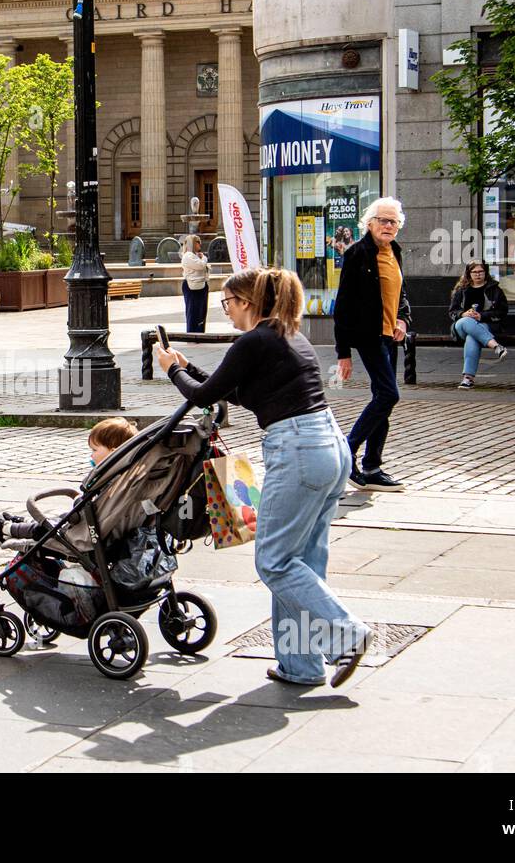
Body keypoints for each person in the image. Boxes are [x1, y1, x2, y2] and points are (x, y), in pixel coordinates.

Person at [156, 267, 373, 688]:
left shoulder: (253, 340)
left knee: (273, 561)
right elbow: (232, 392)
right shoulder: (287, 335)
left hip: (299, 452)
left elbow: (202, 398)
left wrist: (170, 369)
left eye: (228, 304)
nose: (227, 312)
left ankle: (347, 633)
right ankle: (301, 664)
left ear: (248, 303)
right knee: (303, 560)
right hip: (330, 448)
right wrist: (189, 367)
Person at [334, 196, 412, 493]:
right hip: (367, 335)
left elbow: (401, 293)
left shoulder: (395, 252)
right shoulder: (357, 254)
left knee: (384, 398)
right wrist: (343, 354)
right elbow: (343, 305)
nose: (389, 226)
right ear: (369, 223)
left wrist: (403, 320)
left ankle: (372, 466)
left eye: (394, 222)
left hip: (390, 336)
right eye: (383, 220)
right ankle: (347, 451)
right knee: (388, 395)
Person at [0, 417, 138, 545]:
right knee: (62, 518)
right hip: (96, 524)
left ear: (113, 452)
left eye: (95, 450)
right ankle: (26, 522)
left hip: (89, 531)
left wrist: (80, 501)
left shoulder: (111, 479)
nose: (91, 456)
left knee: (51, 528)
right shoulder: (125, 476)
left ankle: (6, 530)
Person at [449, 261, 509, 390]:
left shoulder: (495, 290)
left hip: (485, 326)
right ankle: (496, 346)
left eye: (480, 272)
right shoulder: (461, 289)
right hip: (461, 326)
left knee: (472, 338)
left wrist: (481, 316)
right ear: (469, 274)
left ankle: (468, 379)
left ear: (485, 273)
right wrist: (463, 314)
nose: (477, 275)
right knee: (466, 322)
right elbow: (452, 311)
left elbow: (502, 311)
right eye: (474, 272)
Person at [180, 234, 210, 333]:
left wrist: (203, 260)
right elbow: (201, 266)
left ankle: (200, 332)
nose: (200, 244)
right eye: (197, 242)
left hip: (201, 285)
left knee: (201, 312)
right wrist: (204, 258)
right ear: (192, 243)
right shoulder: (188, 256)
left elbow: (205, 267)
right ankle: (192, 333)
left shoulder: (195, 255)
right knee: (193, 312)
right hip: (192, 286)